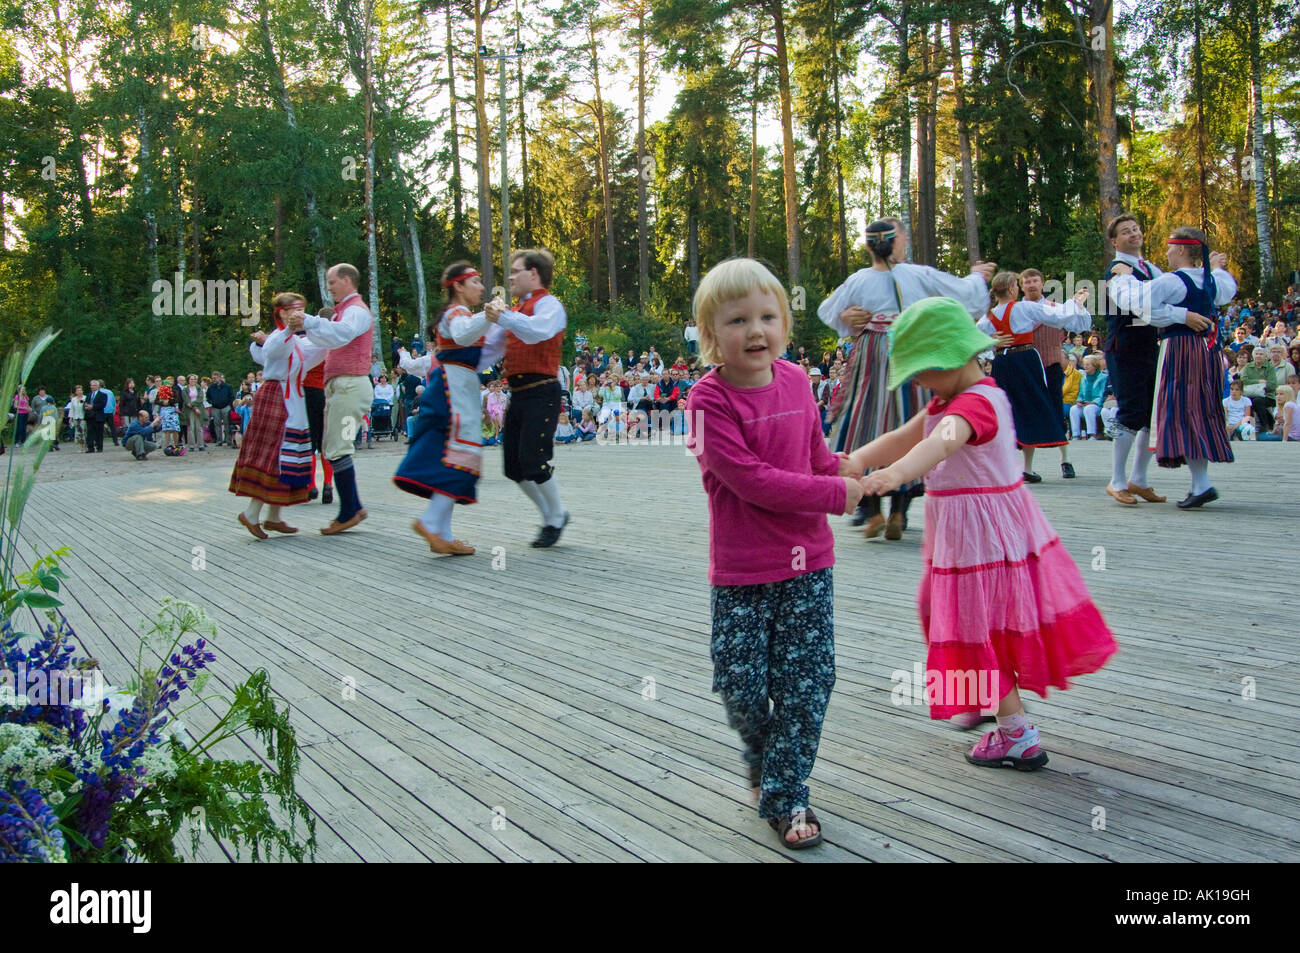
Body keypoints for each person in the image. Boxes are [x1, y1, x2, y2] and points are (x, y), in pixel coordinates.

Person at [846, 296, 1117, 767]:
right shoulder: (946, 399)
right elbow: (909, 435)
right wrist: (860, 459)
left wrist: (891, 477)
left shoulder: (977, 404)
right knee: (937, 610)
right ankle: (978, 697)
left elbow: (939, 443)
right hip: (965, 535)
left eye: (921, 370)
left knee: (976, 628)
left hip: (981, 539)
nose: (916, 381)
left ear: (949, 358)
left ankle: (1015, 733)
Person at [686, 258, 863, 849]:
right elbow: (753, 480)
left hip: (808, 562)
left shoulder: (795, 382)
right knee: (740, 683)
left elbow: (812, 456)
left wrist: (842, 469)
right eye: (738, 321)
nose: (756, 331)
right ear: (712, 336)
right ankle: (768, 760)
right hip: (741, 571)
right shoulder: (706, 402)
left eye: (768, 317)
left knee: (808, 681)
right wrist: (836, 492)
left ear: (786, 324)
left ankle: (787, 794)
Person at [817, 217, 995, 538]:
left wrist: (846, 318)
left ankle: (872, 511)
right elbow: (964, 294)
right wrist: (977, 277)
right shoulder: (920, 274)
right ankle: (900, 510)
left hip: (871, 354)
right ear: (898, 241)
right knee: (912, 419)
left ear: (869, 246)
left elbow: (827, 311)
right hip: (909, 352)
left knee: (864, 420)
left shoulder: (857, 280)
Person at [1110, 227, 1235, 507]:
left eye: (1169, 248)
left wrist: (1123, 279)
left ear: (1180, 250)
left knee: (1180, 410)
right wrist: (1215, 269)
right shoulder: (1212, 282)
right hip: (1209, 351)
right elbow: (1228, 289)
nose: (1165, 253)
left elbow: (1140, 303)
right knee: (1199, 410)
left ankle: (1201, 484)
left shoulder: (1174, 281)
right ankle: (1199, 483)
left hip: (1180, 350)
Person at [394, 262, 499, 556]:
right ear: (458, 286)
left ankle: (442, 533)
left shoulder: (463, 316)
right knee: (461, 456)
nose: (481, 287)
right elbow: (464, 333)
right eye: (475, 282)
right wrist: (488, 316)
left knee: (454, 456)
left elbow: (479, 344)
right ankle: (430, 522)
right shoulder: (457, 315)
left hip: (457, 387)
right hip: (452, 390)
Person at [482, 248, 571, 548]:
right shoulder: (516, 312)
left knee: (534, 459)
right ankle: (552, 515)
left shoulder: (550, 305)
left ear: (533, 274)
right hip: (518, 393)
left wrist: (504, 316)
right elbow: (490, 350)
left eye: (516, 270)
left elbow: (537, 333)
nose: (510, 277)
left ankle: (555, 516)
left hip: (542, 390)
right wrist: (454, 364)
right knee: (513, 467)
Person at [978, 273, 1091, 481]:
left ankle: (1006, 466)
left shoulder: (990, 315)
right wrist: (1075, 302)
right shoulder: (1023, 307)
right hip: (1026, 359)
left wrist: (992, 343)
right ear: (1013, 289)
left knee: (1007, 411)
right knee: (1030, 408)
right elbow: (1057, 316)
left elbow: (974, 337)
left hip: (1003, 364)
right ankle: (1027, 468)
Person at [230, 293, 326, 538]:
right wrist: (285, 332)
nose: (300, 313)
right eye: (295, 309)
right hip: (277, 397)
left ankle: (273, 516)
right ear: (282, 312)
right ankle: (251, 514)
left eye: (302, 309)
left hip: (292, 399)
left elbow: (321, 348)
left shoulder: (297, 342)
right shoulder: (279, 338)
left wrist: (332, 329)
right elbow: (271, 351)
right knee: (275, 456)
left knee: (287, 457)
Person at [289, 263, 375, 535]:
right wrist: (306, 326)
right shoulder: (345, 312)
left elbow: (341, 334)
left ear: (347, 280)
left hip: (350, 387)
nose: (328, 287)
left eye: (332, 281)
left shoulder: (355, 311)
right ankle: (352, 507)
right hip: (346, 388)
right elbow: (325, 339)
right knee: (335, 446)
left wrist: (309, 321)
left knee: (337, 447)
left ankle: (350, 510)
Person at [1102, 214, 1166, 505]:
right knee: (1129, 412)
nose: (1134, 234)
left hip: (1148, 346)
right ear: (1115, 241)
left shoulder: (1150, 268)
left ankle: (1138, 478)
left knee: (1152, 414)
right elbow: (1135, 309)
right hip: (1125, 347)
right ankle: (1117, 480)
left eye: (1136, 229)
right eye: (1126, 232)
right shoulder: (1119, 269)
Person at [1020, 269, 1077, 478]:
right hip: (1028, 366)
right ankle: (1027, 468)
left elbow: (1075, 323)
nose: (1032, 284)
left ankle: (1065, 460)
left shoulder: (1057, 309)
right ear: (1022, 286)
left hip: (1051, 364)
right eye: (1027, 281)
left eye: (1035, 280)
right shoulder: (1017, 310)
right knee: (1029, 414)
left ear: (1042, 284)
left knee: (1056, 410)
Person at [1069, 354, 1109, 439]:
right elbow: (1080, 394)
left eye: (1087, 364)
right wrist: (1079, 401)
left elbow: (1103, 395)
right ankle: (1076, 435)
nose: (1085, 366)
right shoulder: (1084, 379)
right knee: (1074, 409)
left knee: (1089, 408)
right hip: (1085, 404)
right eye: (1084, 364)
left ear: (1094, 366)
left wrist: (1093, 402)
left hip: (1097, 405)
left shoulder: (1103, 378)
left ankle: (1092, 434)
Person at [206, 372, 234, 447]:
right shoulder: (211, 387)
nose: (213, 380)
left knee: (227, 424)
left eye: (215, 378)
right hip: (215, 407)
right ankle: (219, 440)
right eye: (212, 378)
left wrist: (230, 406)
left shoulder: (227, 386)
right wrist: (212, 402)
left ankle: (228, 440)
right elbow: (208, 396)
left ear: (219, 377)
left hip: (225, 407)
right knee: (217, 424)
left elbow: (231, 396)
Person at [84, 380, 107, 453]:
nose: (92, 387)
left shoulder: (103, 395)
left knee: (99, 433)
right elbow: (85, 403)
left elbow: (102, 405)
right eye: (91, 385)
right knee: (90, 432)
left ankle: (99, 447)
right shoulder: (88, 395)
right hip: (89, 416)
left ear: (97, 386)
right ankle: (90, 447)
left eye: (93, 385)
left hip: (98, 416)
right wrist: (85, 407)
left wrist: (93, 407)